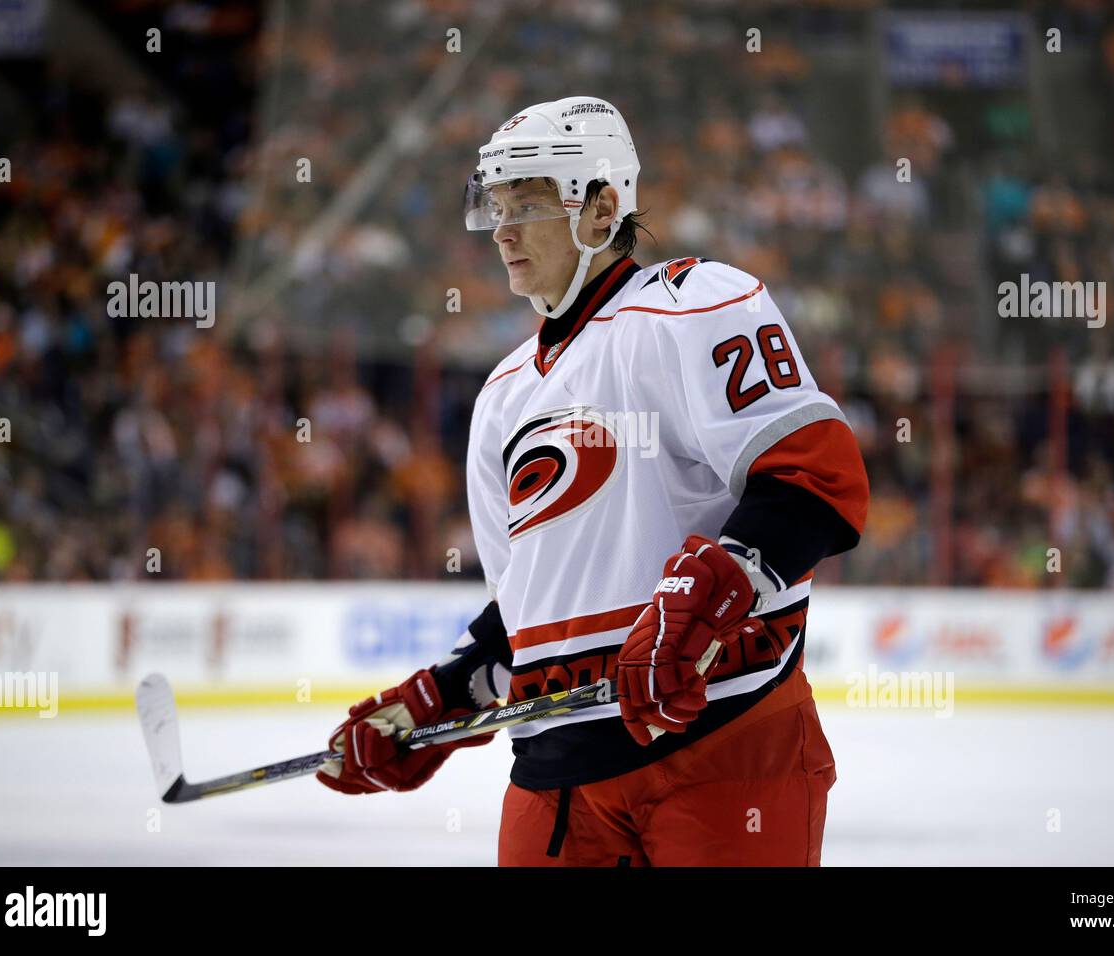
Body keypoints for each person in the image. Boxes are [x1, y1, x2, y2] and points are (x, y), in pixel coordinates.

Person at [317, 96, 869, 866]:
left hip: (720, 745)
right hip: (554, 785)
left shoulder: (695, 303)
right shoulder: (504, 393)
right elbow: (533, 612)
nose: (503, 229)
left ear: (603, 207)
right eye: (495, 206)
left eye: (530, 203)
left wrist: (707, 593)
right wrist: (442, 697)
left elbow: (815, 478)